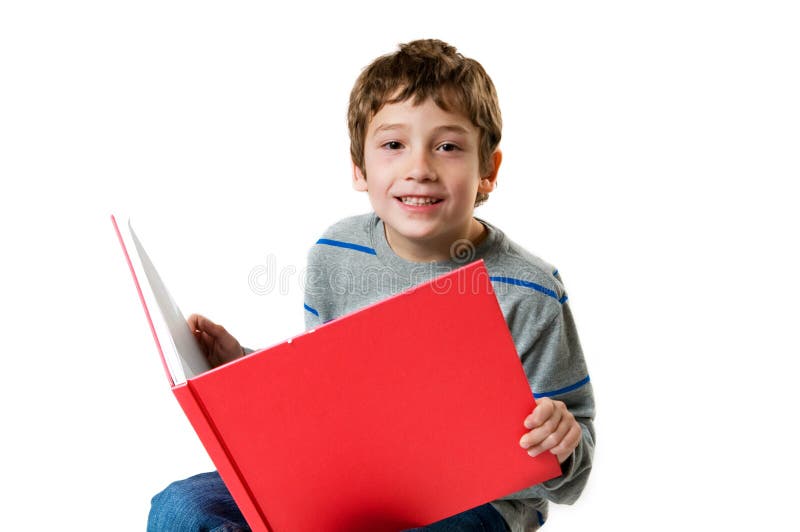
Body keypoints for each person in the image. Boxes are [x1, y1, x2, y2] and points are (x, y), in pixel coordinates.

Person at [148, 38, 595, 532]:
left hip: (469, 504)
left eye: (447, 146)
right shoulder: (336, 254)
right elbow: (321, 401)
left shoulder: (529, 291)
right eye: (393, 145)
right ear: (360, 168)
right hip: (348, 480)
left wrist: (563, 439)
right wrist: (239, 367)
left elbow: (573, 474)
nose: (419, 168)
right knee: (180, 507)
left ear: (487, 170)